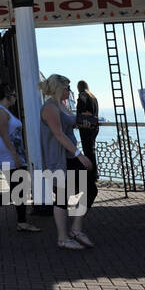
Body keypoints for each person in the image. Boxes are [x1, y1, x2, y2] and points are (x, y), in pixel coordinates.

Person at [39, 74, 95, 250]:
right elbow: (58, 134)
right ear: (59, 88)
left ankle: (75, 229)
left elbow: (68, 126)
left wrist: (82, 123)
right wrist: (80, 154)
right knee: (64, 196)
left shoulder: (61, 106)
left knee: (89, 189)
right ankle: (64, 237)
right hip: (61, 158)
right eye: (67, 88)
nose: (69, 91)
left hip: (69, 157)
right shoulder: (49, 107)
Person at [0, 84, 39, 232]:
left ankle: (21, 221)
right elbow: (5, 136)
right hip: (8, 156)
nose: (15, 97)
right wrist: (15, 156)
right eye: (13, 94)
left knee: (20, 189)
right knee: (18, 189)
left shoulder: (4, 110)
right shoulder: (0, 112)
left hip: (14, 155)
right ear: (7, 95)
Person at [74, 81, 100, 208]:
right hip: (94, 126)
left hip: (86, 126)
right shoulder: (93, 96)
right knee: (92, 150)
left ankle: (91, 173)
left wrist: (80, 114)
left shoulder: (83, 95)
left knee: (87, 150)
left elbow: (81, 109)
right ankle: (94, 173)